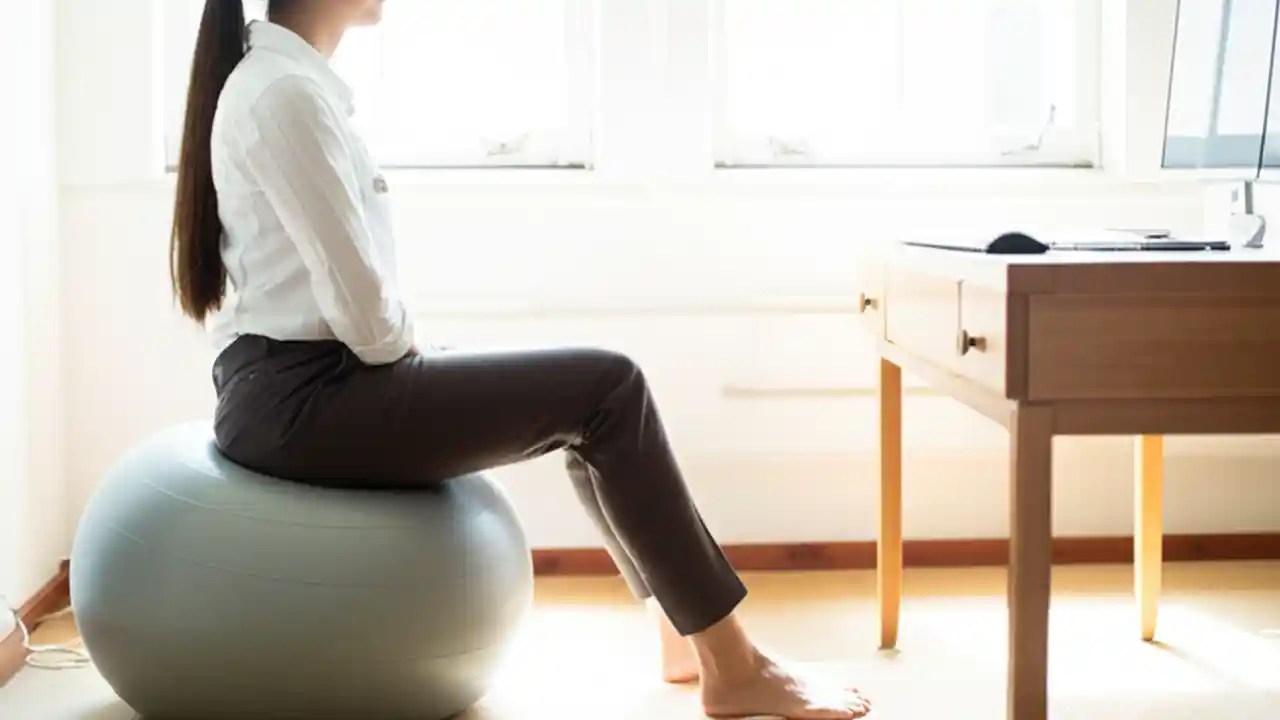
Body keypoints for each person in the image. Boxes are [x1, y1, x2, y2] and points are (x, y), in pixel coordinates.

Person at [170, 1, 871, 718]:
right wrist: (415, 354)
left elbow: (352, 312)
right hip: (305, 401)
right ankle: (732, 664)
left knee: (588, 402)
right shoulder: (284, 94)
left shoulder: (286, 83)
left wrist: (418, 354)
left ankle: (685, 635)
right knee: (608, 388)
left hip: (299, 386)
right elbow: (367, 320)